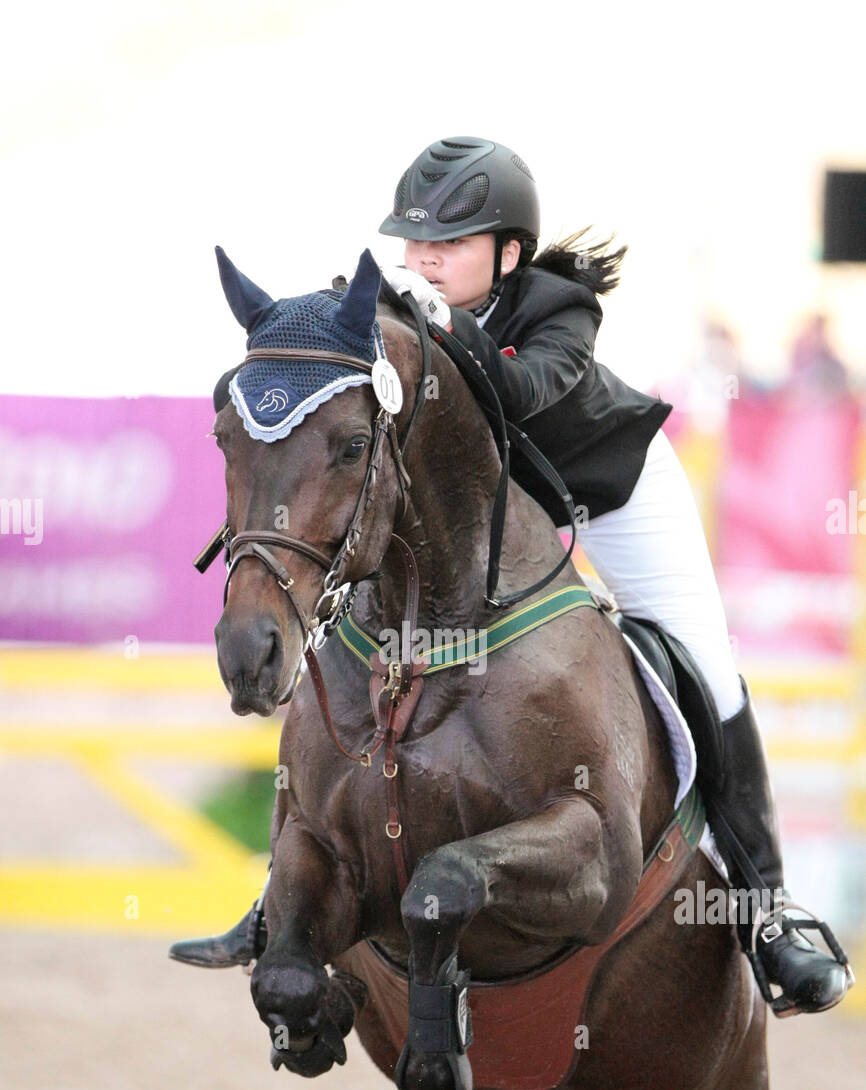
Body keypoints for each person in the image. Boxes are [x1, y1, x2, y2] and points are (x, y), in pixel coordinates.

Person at [171, 136, 851, 1018]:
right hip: (489, 520)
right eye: (415, 243)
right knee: (346, 645)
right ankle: (283, 896)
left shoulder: (558, 310)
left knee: (706, 666)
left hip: (610, 492)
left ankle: (768, 915)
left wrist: (444, 327)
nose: (425, 261)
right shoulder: (385, 313)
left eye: (449, 244)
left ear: (509, 254)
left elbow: (522, 395)